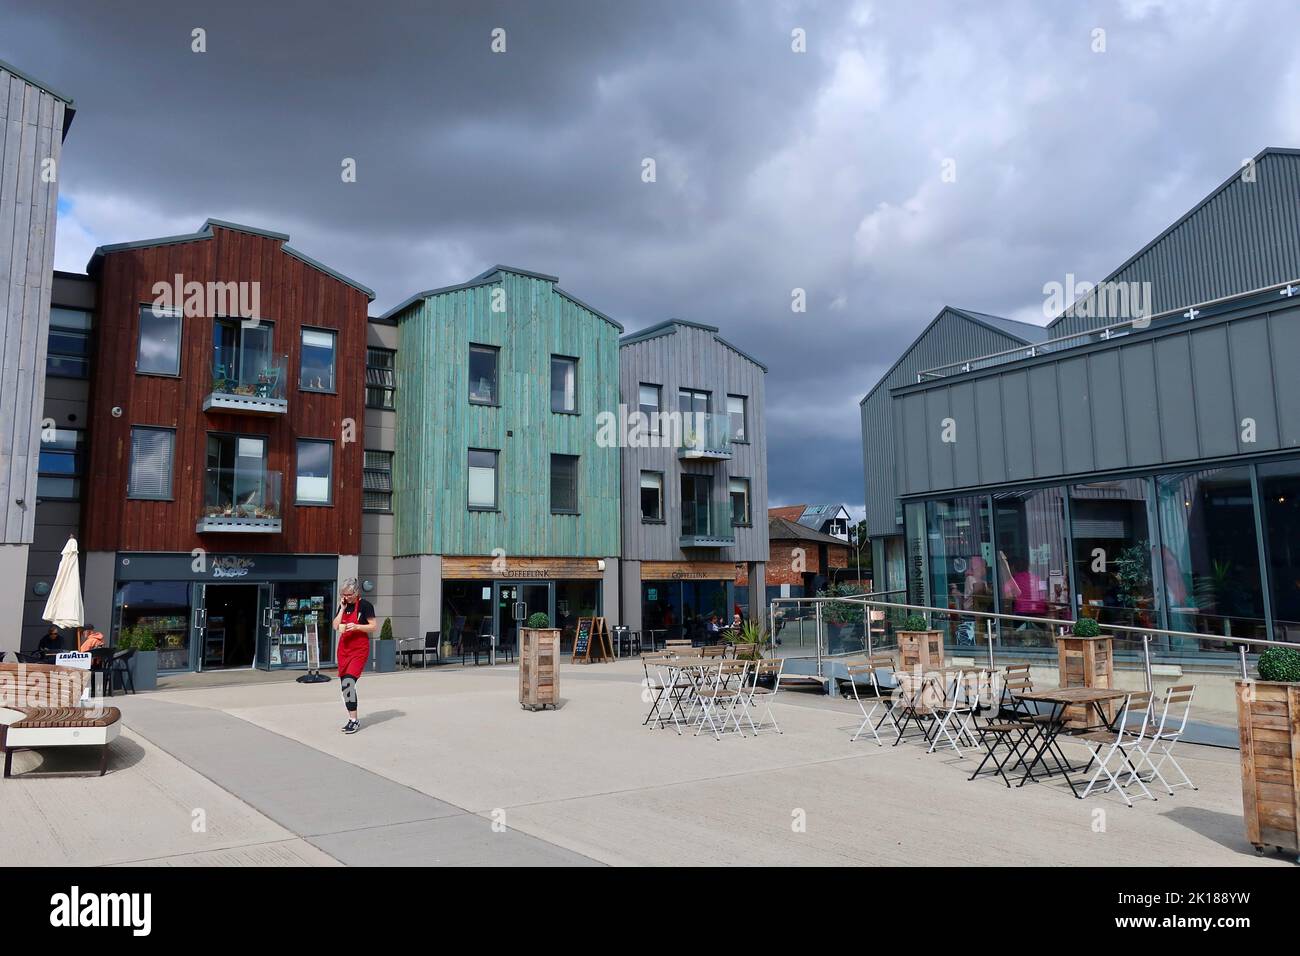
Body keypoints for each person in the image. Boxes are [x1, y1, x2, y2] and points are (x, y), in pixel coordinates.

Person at [332, 578, 377, 734]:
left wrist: (357, 626)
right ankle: (351, 717)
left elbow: (373, 626)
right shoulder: (343, 605)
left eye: (349, 594)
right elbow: (335, 626)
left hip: (359, 649)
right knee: (345, 686)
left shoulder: (365, 606)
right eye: (344, 594)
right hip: (344, 649)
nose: (346, 597)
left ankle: (354, 721)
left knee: (349, 683)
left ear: (356, 592)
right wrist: (343, 609)